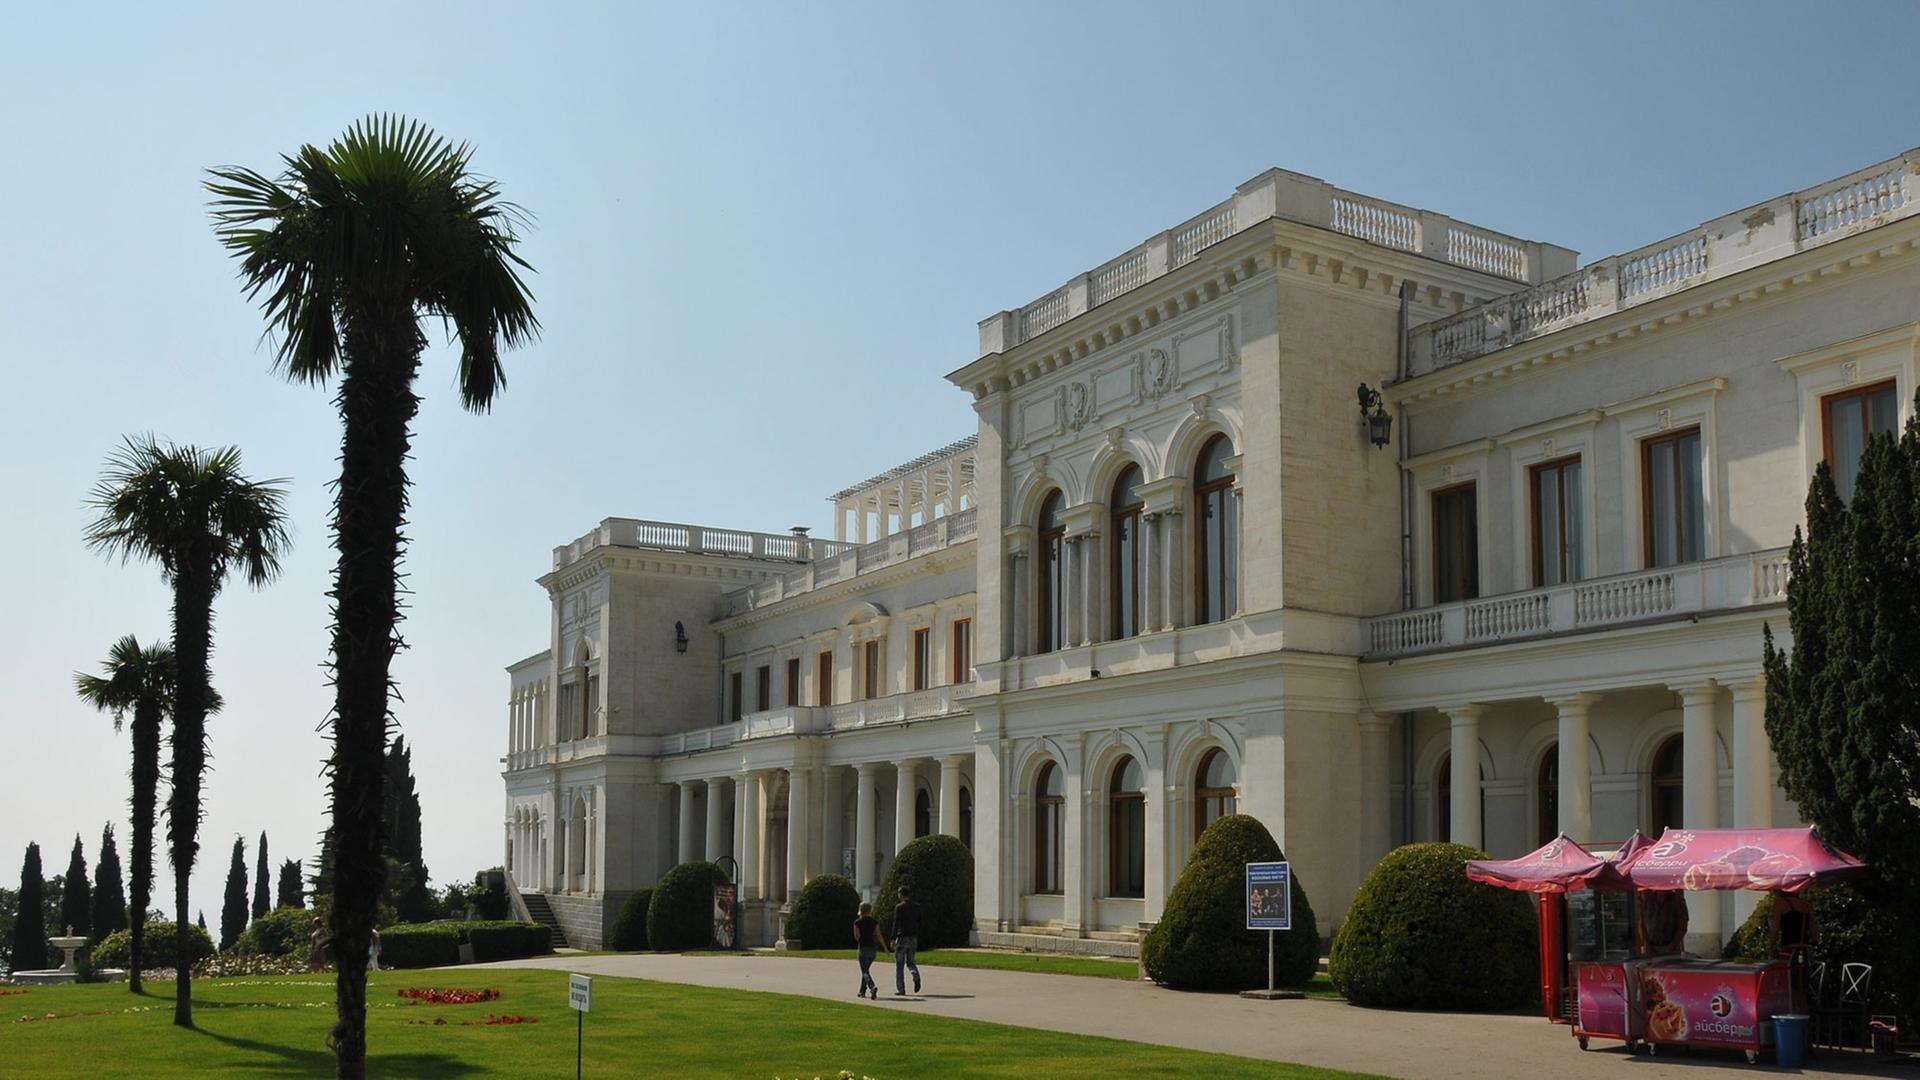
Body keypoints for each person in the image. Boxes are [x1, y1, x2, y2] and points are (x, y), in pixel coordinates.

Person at [852, 901, 889, 999]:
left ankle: (872, 986)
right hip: (873, 948)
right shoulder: (874, 922)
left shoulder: (857, 922)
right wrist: (885, 948)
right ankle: (862, 992)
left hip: (863, 948)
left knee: (864, 971)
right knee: (866, 970)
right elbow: (879, 935)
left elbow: (857, 937)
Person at [892, 884, 922, 996]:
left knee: (899, 964)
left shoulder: (899, 907)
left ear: (901, 894)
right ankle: (915, 975)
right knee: (911, 962)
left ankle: (901, 988)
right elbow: (920, 921)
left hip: (902, 936)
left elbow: (896, 923)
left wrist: (892, 938)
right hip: (913, 937)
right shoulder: (917, 907)